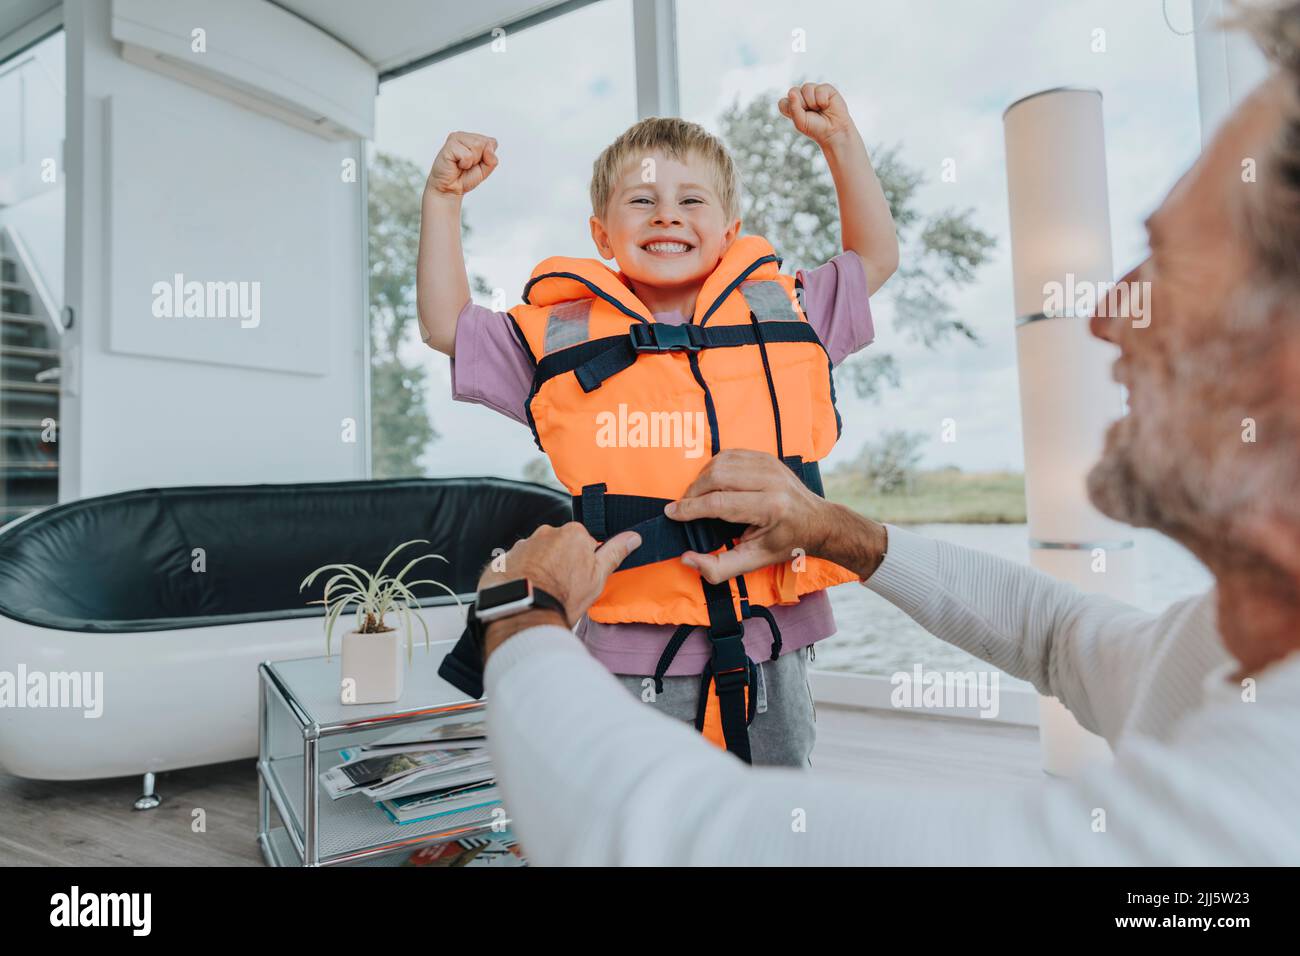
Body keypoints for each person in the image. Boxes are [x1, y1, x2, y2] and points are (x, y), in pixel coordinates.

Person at [467, 9, 1300, 864]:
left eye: (1164, 263)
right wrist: (842, 534)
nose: (1102, 319)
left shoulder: (1251, 814)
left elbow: (668, 838)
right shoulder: (1231, 656)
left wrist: (520, 615)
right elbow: (1057, 637)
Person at [417, 85, 899, 765]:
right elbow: (446, 324)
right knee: (641, 811)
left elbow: (873, 258)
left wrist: (840, 141)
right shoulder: (558, 334)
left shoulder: (787, 308)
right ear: (602, 234)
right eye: (641, 200)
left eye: (691, 200)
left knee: (777, 812)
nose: (665, 214)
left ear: (731, 230)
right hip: (632, 642)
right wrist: (443, 200)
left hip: (772, 634)